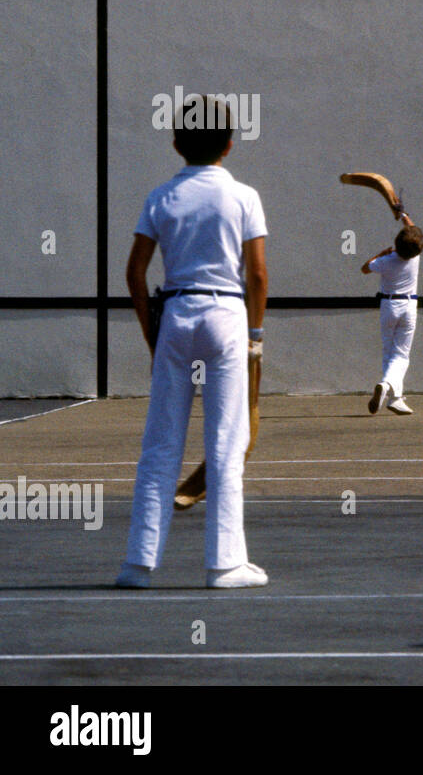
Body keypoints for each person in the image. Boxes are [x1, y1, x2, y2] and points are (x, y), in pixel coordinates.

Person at [117, 94, 270, 589]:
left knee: (161, 443)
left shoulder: (161, 196)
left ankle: (138, 564)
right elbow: (259, 276)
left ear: (178, 142)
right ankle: (225, 564)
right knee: (228, 441)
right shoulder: (244, 195)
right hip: (226, 313)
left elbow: (135, 272)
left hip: (177, 313)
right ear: (229, 144)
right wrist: (255, 340)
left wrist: (151, 332)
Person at [361, 214, 423, 415]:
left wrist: (381, 253)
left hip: (389, 306)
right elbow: (414, 231)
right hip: (409, 306)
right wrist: (403, 215)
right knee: (401, 355)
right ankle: (392, 393)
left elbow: (364, 269)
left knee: (390, 353)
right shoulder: (416, 256)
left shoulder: (386, 260)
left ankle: (390, 391)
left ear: (397, 242)